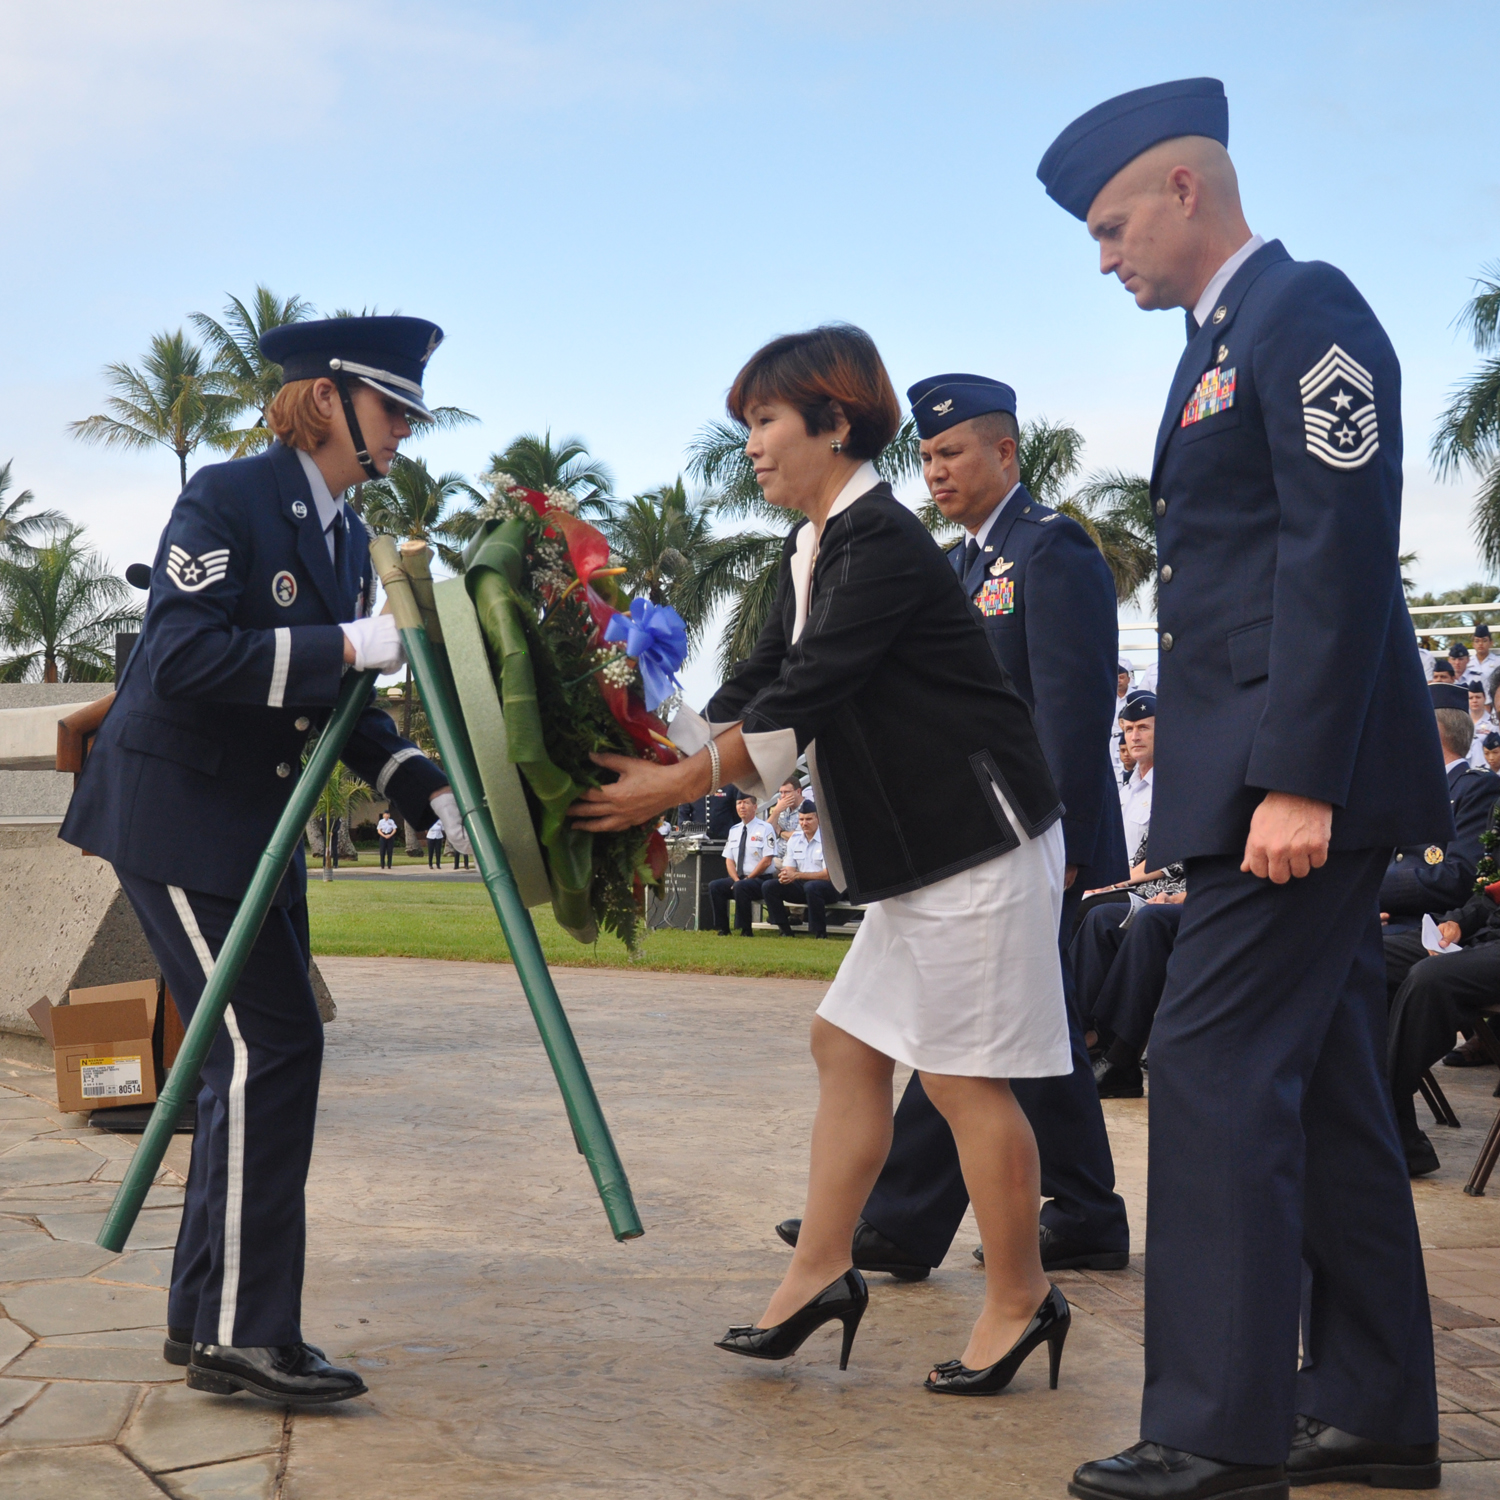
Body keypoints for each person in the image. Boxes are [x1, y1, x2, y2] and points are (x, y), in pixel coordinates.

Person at [1038, 77, 1450, 1494]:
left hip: (1296, 784)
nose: (1105, 258)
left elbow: (1339, 548)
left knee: (1211, 1072)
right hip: (1257, 780)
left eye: (1112, 226)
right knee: (1325, 1096)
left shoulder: (1303, 311)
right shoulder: (1217, 341)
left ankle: (1215, 1431)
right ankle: (1378, 1407)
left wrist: (1298, 783)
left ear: (1185, 189)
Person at [570, 323, 1073, 1394]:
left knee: (963, 1081)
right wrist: (660, 741)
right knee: (846, 1044)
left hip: (975, 843)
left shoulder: (879, 539)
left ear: (834, 422)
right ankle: (821, 1273)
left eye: (765, 420)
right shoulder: (813, 547)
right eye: (747, 424)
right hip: (919, 855)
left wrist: (675, 785)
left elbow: (810, 693)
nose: (751, 444)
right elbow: (759, 679)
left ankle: (1023, 1298)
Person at [58, 316, 472, 1406]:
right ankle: (247, 1332)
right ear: (327, 399)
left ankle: (203, 1318)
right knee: (270, 1047)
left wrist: (421, 785)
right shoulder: (230, 497)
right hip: (179, 816)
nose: (405, 432)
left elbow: (342, 700)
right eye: (392, 409)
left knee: (250, 1059)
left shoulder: (342, 533)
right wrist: (343, 644)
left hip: (252, 829)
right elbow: (181, 656)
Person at [815, 369, 1129, 1287]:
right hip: (973, 836)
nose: (935, 471)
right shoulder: (957, 566)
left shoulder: (1051, 550)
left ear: (1005, 451)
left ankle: (907, 1221)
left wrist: (1060, 842)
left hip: (1034, 835)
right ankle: (1078, 1214)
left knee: (971, 1026)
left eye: (952, 452)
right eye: (925, 456)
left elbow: (1069, 715)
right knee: (1017, 1025)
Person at [1384, 851, 1500, 1175]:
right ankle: (1401, 1141)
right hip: (1486, 933)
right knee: (1368, 959)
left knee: (1430, 979)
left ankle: (1375, 1119)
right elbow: (1492, 892)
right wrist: (1459, 922)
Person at [1380, 698, 1500, 932]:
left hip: (1433, 924)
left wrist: (1373, 892)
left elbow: (1461, 876)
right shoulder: (1411, 790)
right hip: (1389, 916)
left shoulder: (1476, 787)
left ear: (1431, 733)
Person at [761, 802, 840, 937]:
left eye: (808, 819)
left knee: (812, 887)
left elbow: (827, 875)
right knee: (769, 886)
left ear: (818, 819)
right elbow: (789, 868)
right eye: (801, 819)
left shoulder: (828, 839)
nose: (804, 823)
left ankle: (819, 932)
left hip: (830, 887)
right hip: (804, 885)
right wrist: (785, 876)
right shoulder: (795, 839)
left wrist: (796, 875)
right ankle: (784, 930)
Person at [709, 792, 776, 935]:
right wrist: (736, 879)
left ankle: (745, 929)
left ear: (755, 807)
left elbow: (767, 860)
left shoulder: (765, 828)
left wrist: (747, 879)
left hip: (760, 879)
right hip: (739, 879)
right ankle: (723, 928)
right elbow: (729, 859)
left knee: (741, 887)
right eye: (739, 803)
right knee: (715, 886)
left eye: (746, 803)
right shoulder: (734, 830)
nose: (742, 806)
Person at [1117, 694, 1156, 873]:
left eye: (1143, 728)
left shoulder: (1173, 790)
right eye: (1129, 729)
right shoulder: (1124, 792)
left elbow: (1172, 862)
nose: (1134, 737)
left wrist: (1117, 884)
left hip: (1150, 885)